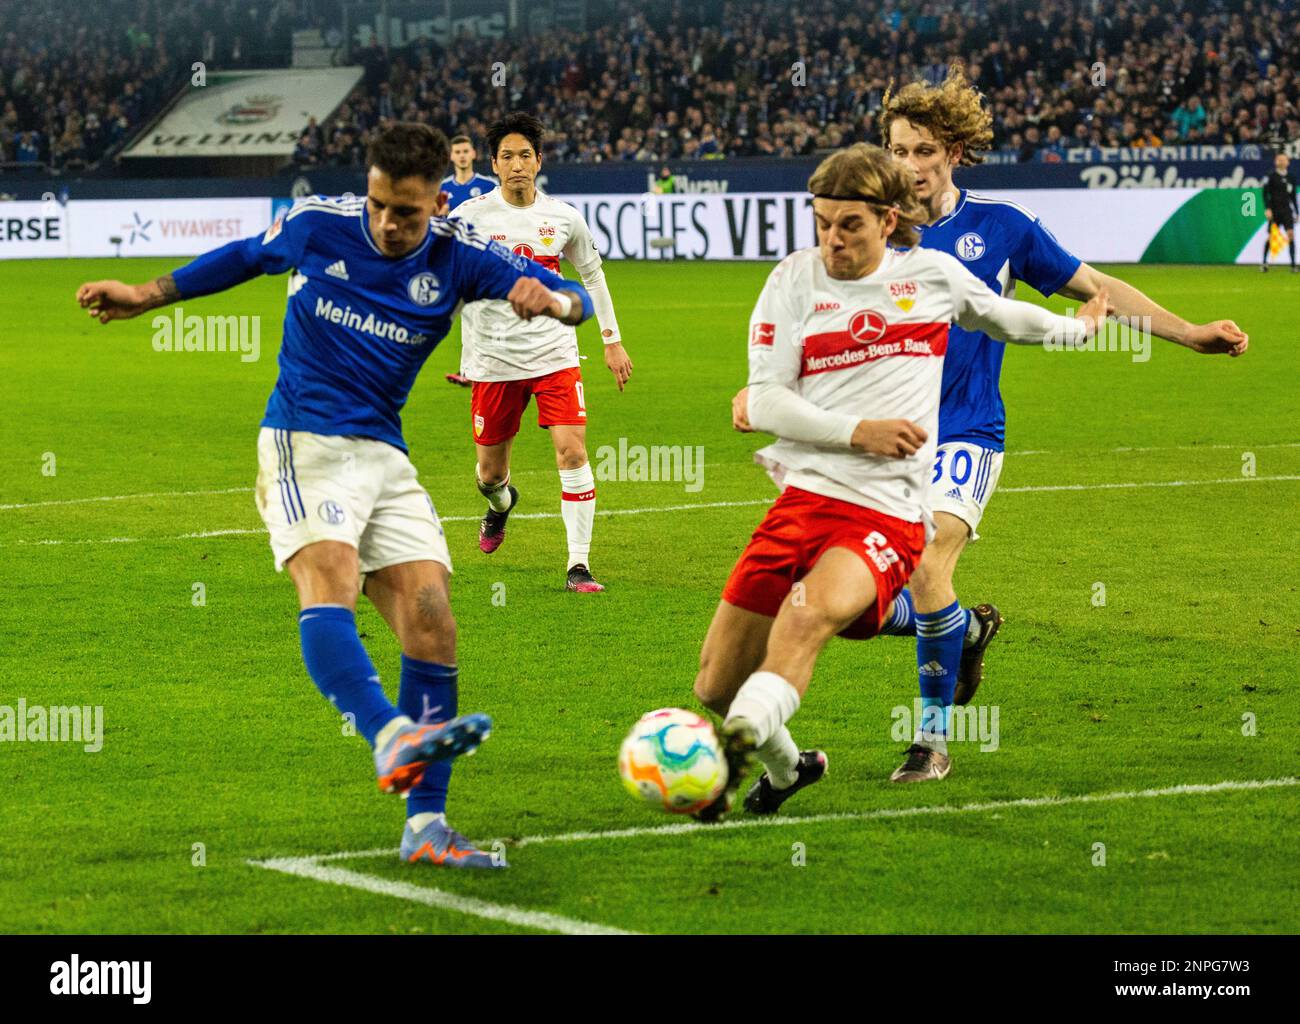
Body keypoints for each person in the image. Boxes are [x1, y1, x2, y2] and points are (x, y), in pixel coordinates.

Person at [75, 122, 594, 868]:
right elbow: (243, 257)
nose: (387, 223)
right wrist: (144, 296)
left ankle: (426, 828)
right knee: (331, 581)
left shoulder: (461, 254)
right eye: (379, 204)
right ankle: (390, 735)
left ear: (438, 203)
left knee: (432, 621)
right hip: (302, 440)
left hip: (384, 453)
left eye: (406, 212)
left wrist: (552, 303)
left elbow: (574, 295)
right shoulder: (320, 225)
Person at [732, 67, 1248, 786]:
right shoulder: (867, 235)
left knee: (925, 566)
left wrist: (1188, 332)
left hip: (966, 432)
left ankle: (931, 740)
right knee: (853, 607)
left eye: (923, 151)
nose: (910, 165)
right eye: (898, 150)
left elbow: (1098, 288)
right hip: (878, 444)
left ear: (954, 152)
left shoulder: (1001, 228)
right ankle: (965, 628)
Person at [694, 143, 1108, 821]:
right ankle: (790, 768)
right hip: (803, 499)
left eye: (849, 224)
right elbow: (763, 401)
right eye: (822, 222)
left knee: (804, 621)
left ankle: (737, 749)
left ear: (888, 220)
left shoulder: (932, 277)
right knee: (715, 683)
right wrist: (857, 430)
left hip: (887, 511)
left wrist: (1078, 329)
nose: (832, 238)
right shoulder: (792, 281)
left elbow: (1006, 317)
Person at [454, 112, 633, 592]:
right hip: (493, 361)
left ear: (539, 161)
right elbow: (440, 275)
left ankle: (579, 566)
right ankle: (500, 505)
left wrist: (612, 340)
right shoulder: (469, 218)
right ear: (493, 164)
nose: (517, 165)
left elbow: (592, 276)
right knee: (490, 474)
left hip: (556, 355)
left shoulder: (564, 217)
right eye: (507, 156)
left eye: (525, 155)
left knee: (572, 453)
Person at [441, 133, 500, 385]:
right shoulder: (443, 189)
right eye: (458, 152)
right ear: (451, 156)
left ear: (473, 154)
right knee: (468, 315)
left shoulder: (489, 185)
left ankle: (480, 369)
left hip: (484, 259)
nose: (462, 156)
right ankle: (470, 370)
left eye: (466, 151)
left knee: (482, 314)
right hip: (457, 260)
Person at [1262, 151, 1298, 272]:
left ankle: (1293, 265)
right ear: (1275, 162)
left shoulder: (1291, 177)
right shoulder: (1270, 176)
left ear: (1288, 162)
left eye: (1284, 160)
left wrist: (1297, 212)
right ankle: (1264, 263)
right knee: (1271, 236)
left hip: (1286, 210)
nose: (1282, 162)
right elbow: (1265, 193)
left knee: (1291, 234)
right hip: (1274, 210)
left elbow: (1293, 196)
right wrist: (1267, 208)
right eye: (1279, 160)